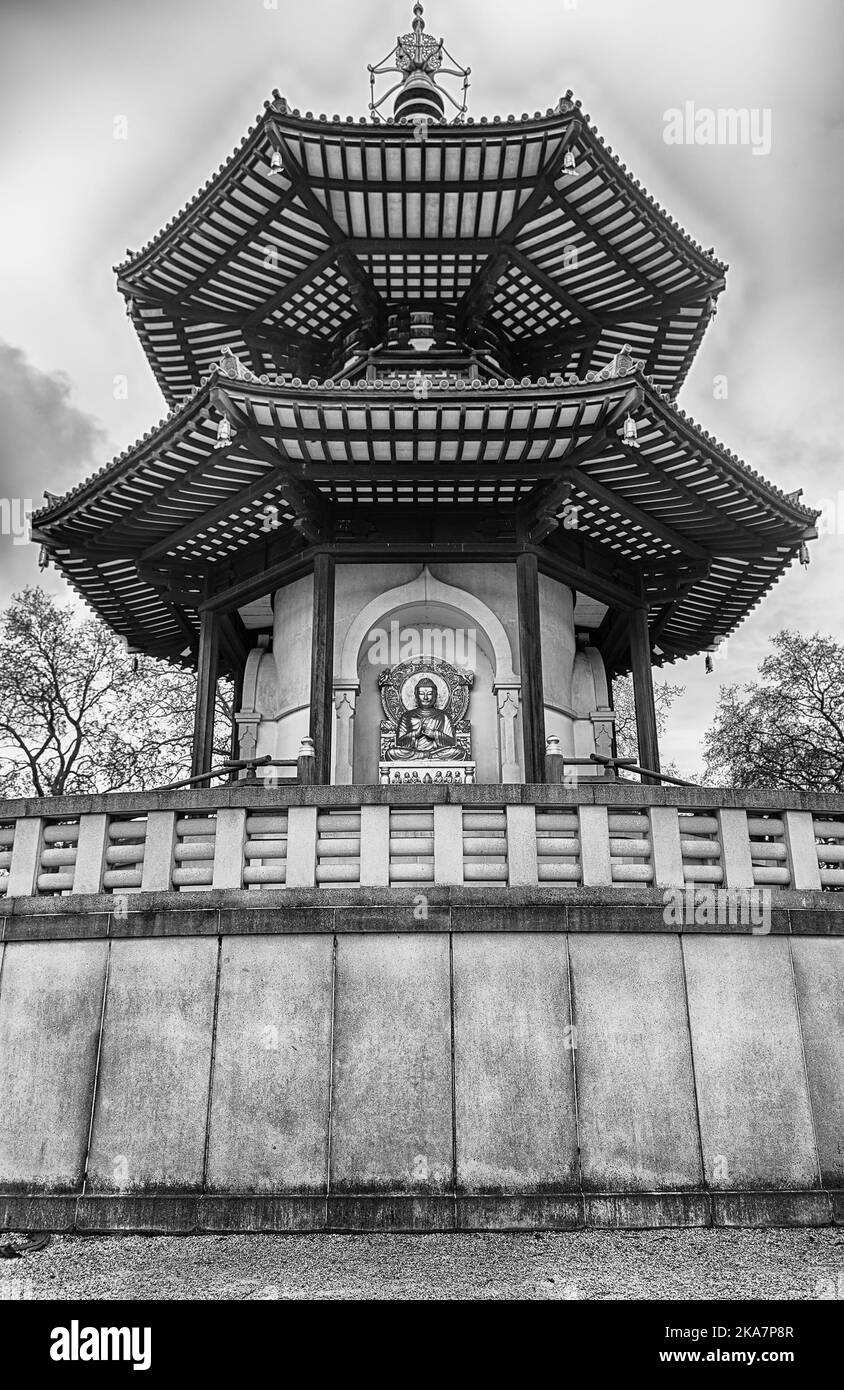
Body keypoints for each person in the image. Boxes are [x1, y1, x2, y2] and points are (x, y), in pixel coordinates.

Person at [385, 677, 466, 761]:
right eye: (421, 693)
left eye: (430, 693)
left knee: (459, 752)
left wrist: (434, 734)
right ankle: (425, 755)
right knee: (391, 753)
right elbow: (399, 742)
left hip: (437, 751)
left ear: (435, 695)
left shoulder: (444, 716)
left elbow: (451, 742)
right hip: (414, 752)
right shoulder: (407, 716)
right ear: (416, 695)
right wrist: (415, 734)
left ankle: (426, 755)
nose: (425, 697)